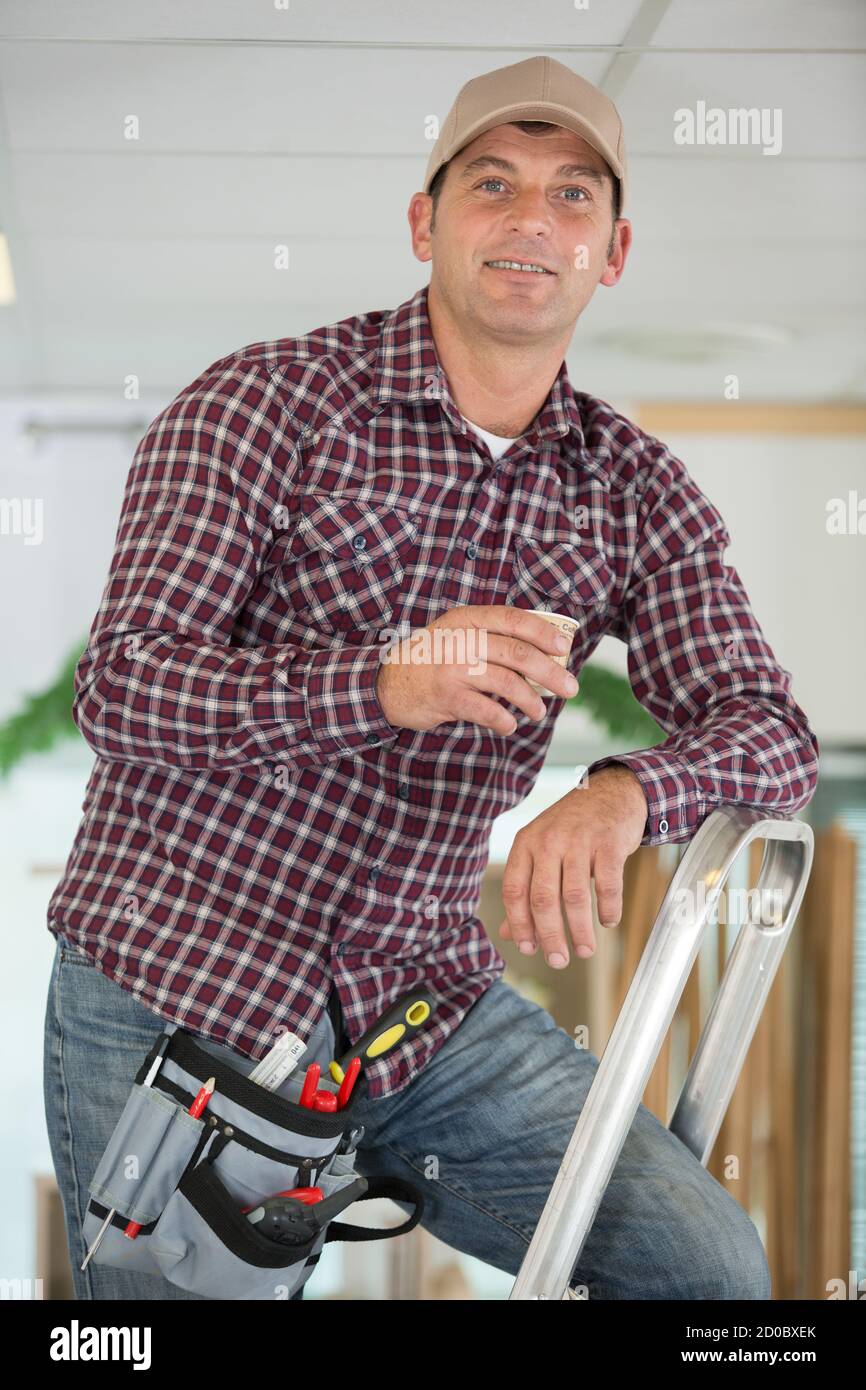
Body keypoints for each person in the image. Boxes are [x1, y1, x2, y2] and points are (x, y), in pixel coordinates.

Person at [44, 55, 818, 1300]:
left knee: (704, 1272)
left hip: (420, 1010)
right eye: (492, 184)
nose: (531, 219)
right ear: (425, 221)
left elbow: (769, 731)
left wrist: (623, 794)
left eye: (572, 197)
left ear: (611, 253)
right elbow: (126, 691)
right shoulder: (263, 403)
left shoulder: (630, 489)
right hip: (176, 991)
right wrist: (383, 683)